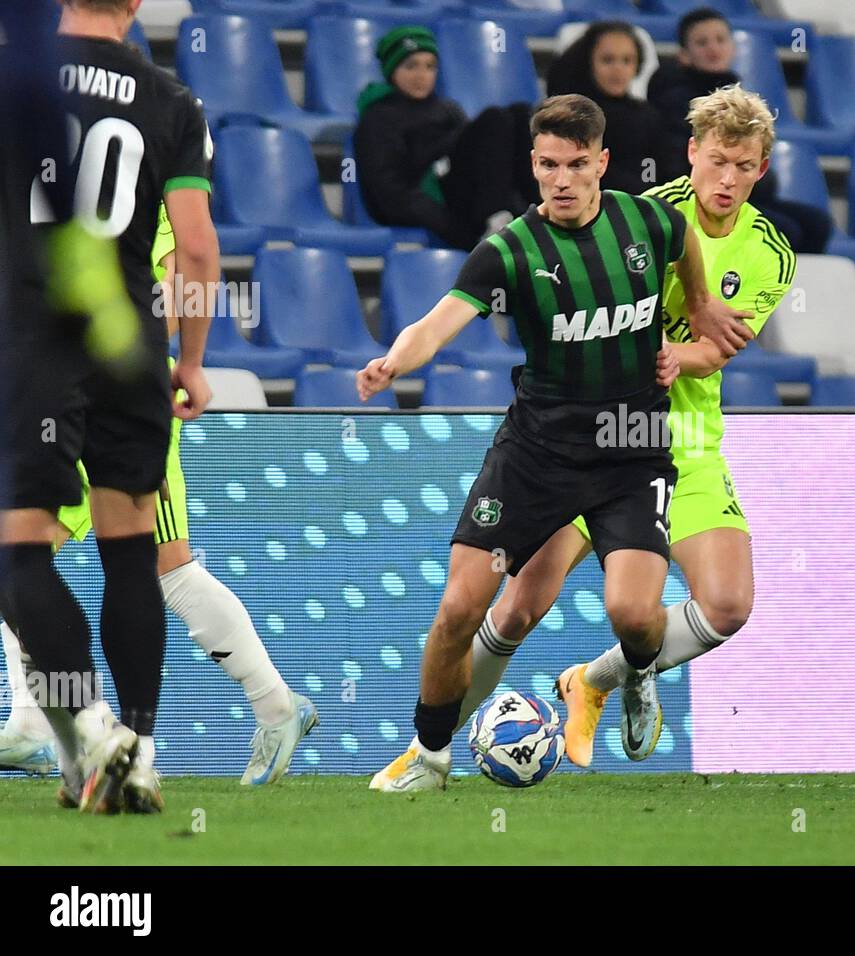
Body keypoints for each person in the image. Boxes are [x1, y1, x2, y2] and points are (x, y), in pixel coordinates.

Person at [372, 85, 793, 773]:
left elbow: (719, 346)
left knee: (723, 605)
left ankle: (606, 676)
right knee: (513, 610)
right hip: (582, 434)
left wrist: (676, 353)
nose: (728, 178)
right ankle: (430, 753)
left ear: (761, 170)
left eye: (744, 167)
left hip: (673, 438)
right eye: (718, 160)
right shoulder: (647, 214)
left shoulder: (770, 252)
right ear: (691, 154)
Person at [0, 206, 318, 794]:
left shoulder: (149, 194)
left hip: (129, 395)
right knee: (21, 556)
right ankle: (33, 722)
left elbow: (175, 299)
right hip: (54, 397)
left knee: (165, 567)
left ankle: (275, 706)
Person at [0, 0, 216, 814]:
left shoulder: (15, 75)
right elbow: (194, 246)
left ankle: (90, 733)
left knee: (20, 553)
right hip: (129, 346)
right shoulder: (173, 101)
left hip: (31, 344)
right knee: (131, 554)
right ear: (135, 4)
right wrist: (189, 360)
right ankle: (143, 753)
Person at [647, 7, 830, 254]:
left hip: (743, 191)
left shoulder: (738, 97)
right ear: (684, 56)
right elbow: (677, 165)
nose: (713, 48)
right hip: (704, 197)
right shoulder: (674, 101)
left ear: (733, 47)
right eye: (702, 42)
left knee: (817, 224)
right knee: (787, 231)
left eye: (720, 40)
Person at [353, 25, 539, 251]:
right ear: (392, 69)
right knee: (494, 119)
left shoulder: (447, 108)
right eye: (411, 66)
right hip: (438, 198)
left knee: (521, 114)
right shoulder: (378, 118)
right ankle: (495, 219)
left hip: (465, 192)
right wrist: (453, 228)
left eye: (430, 66)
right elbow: (391, 191)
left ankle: (539, 215)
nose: (421, 75)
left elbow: (485, 160)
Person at [545, 21, 673, 195]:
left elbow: (653, 167)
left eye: (627, 60)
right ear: (587, 63)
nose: (618, 69)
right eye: (607, 60)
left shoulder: (648, 116)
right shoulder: (569, 118)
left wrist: (649, 191)